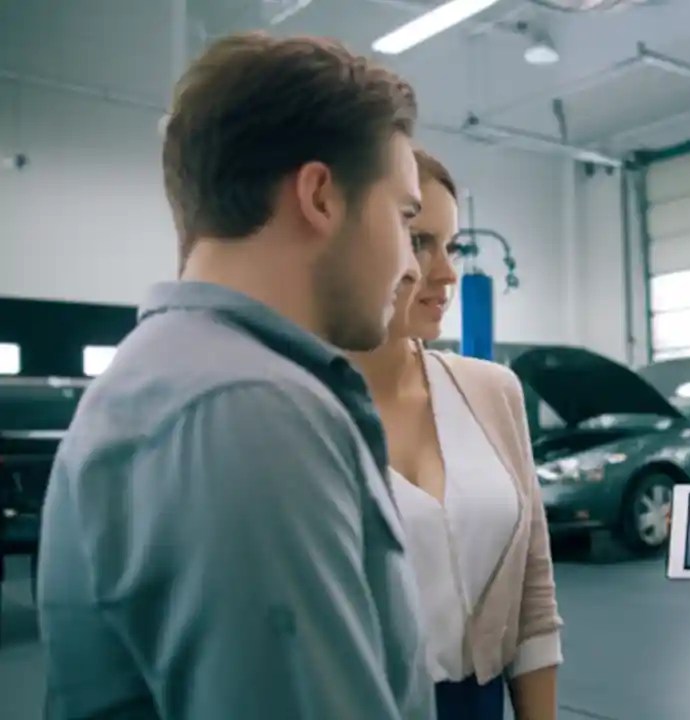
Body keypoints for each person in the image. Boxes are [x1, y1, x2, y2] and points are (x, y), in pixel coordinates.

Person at [37, 32, 435, 719]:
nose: (411, 266)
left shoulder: (180, 377)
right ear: (320, 196)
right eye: (405, 218)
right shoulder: (249, 411)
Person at [348, 148, 563, 720]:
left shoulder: (493, 392)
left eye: (453, 246)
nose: (445, 272)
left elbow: (533, 595)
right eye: (419, 241)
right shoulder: (297, 411)